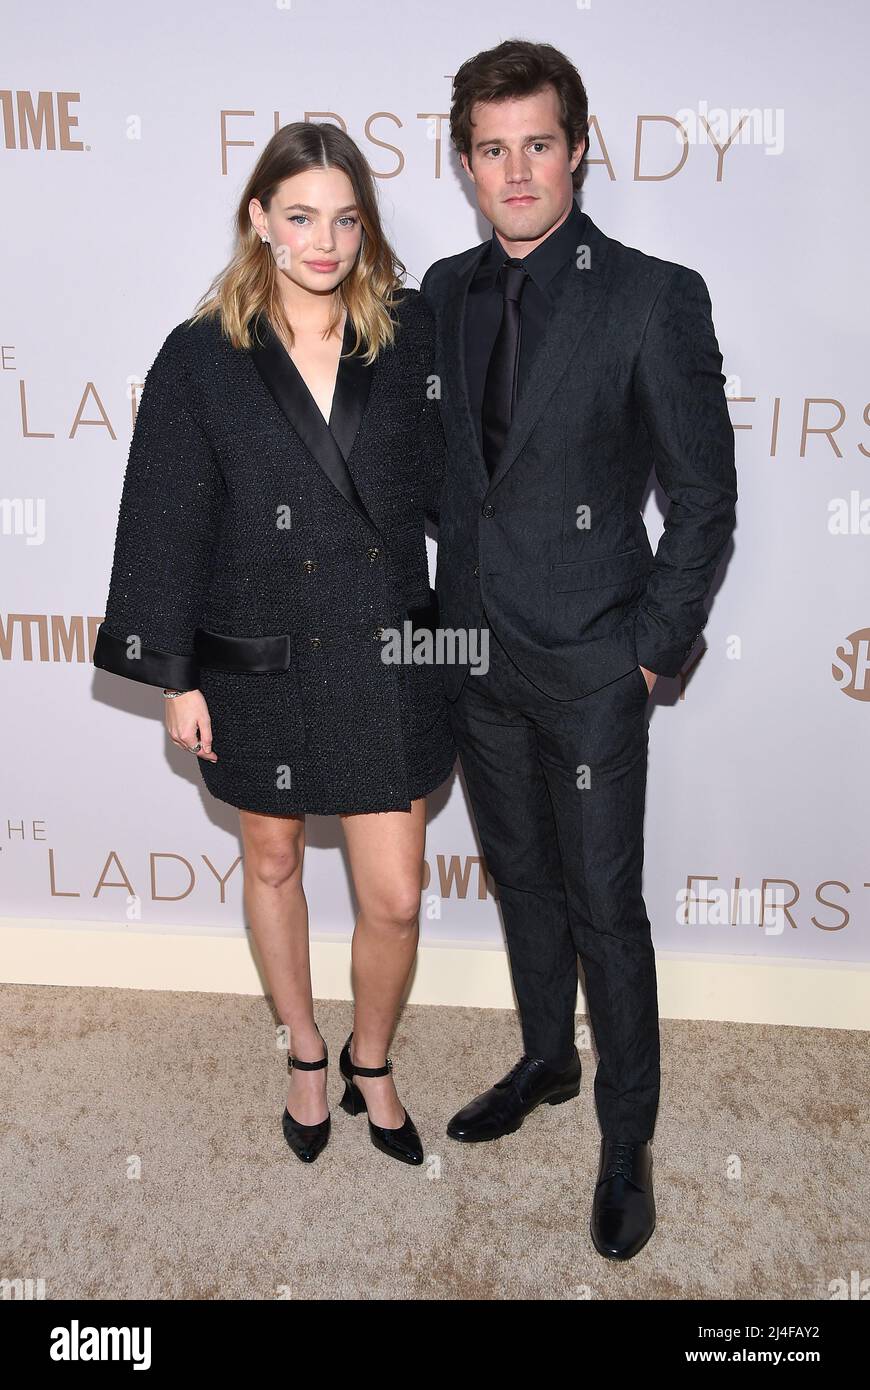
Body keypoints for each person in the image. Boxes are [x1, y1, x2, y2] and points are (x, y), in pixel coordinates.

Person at [422, 39, 737, 1258]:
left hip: (598, 661)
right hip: (475, 660)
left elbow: (704, 496)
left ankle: (627, 1135)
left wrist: (651, 652)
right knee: (525, 879)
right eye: (492, 149)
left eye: (537, 144)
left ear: (578, 147)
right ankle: (548, 1059)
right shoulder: (438, 295)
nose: (516, 171)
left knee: (608, 905)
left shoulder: (653, 294)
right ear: (464, 162)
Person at [93, 121, 455, 1168]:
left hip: (387, 653)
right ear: (258, 219)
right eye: (300, 217)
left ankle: (370, 1057)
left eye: (345, 220)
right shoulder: (202, 354)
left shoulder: (409, 336)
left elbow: (460, 485)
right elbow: (167, 516)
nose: (324, 241)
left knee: (393, 892)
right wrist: (172, 675)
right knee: (274, 854)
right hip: (258, 655)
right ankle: (303, 1047)